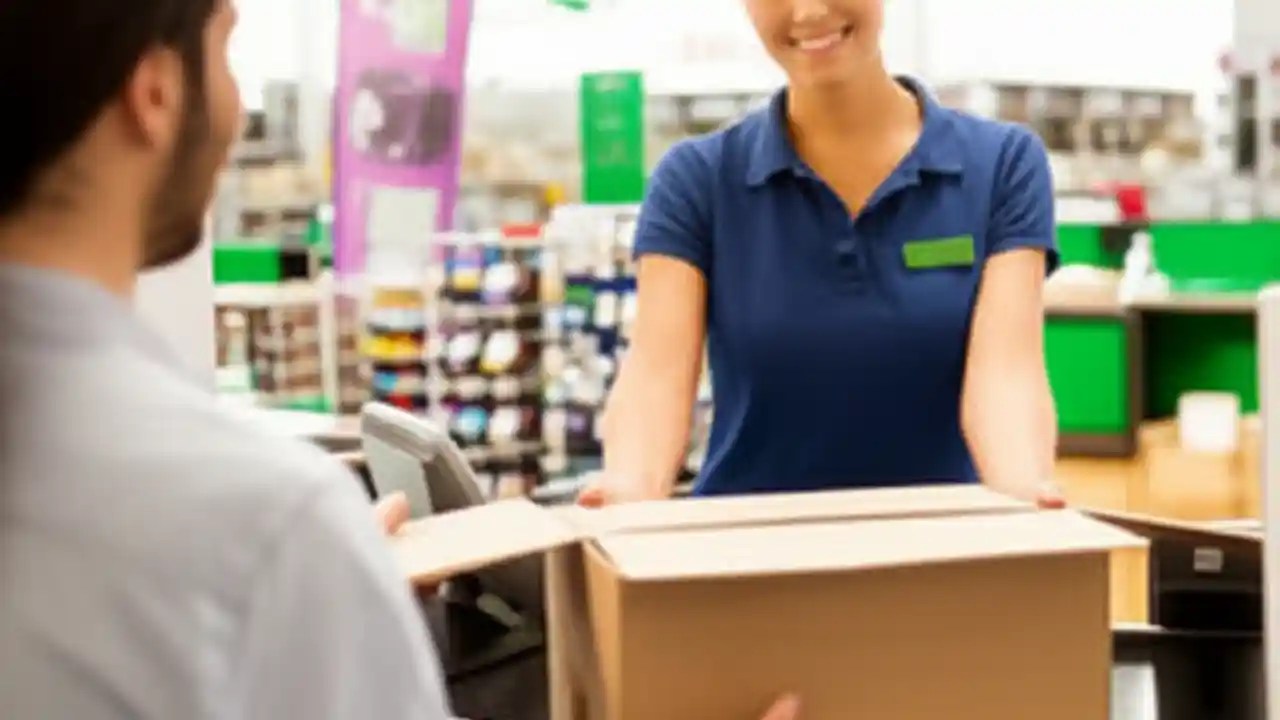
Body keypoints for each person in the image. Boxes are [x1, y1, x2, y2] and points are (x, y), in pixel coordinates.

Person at [0, 2, 799, 720]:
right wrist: (313, 583)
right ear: (157, 94)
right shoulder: (257, 524)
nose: (237, 106)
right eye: (226, 50)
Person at [582, 0, 1064, 507]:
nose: (808, 12)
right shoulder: (696, 180)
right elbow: (656, 373)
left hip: (941, 552)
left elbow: (1007, 371)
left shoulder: (1003, 166)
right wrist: (629, 488)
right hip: (742, 557)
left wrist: (1022, 493)